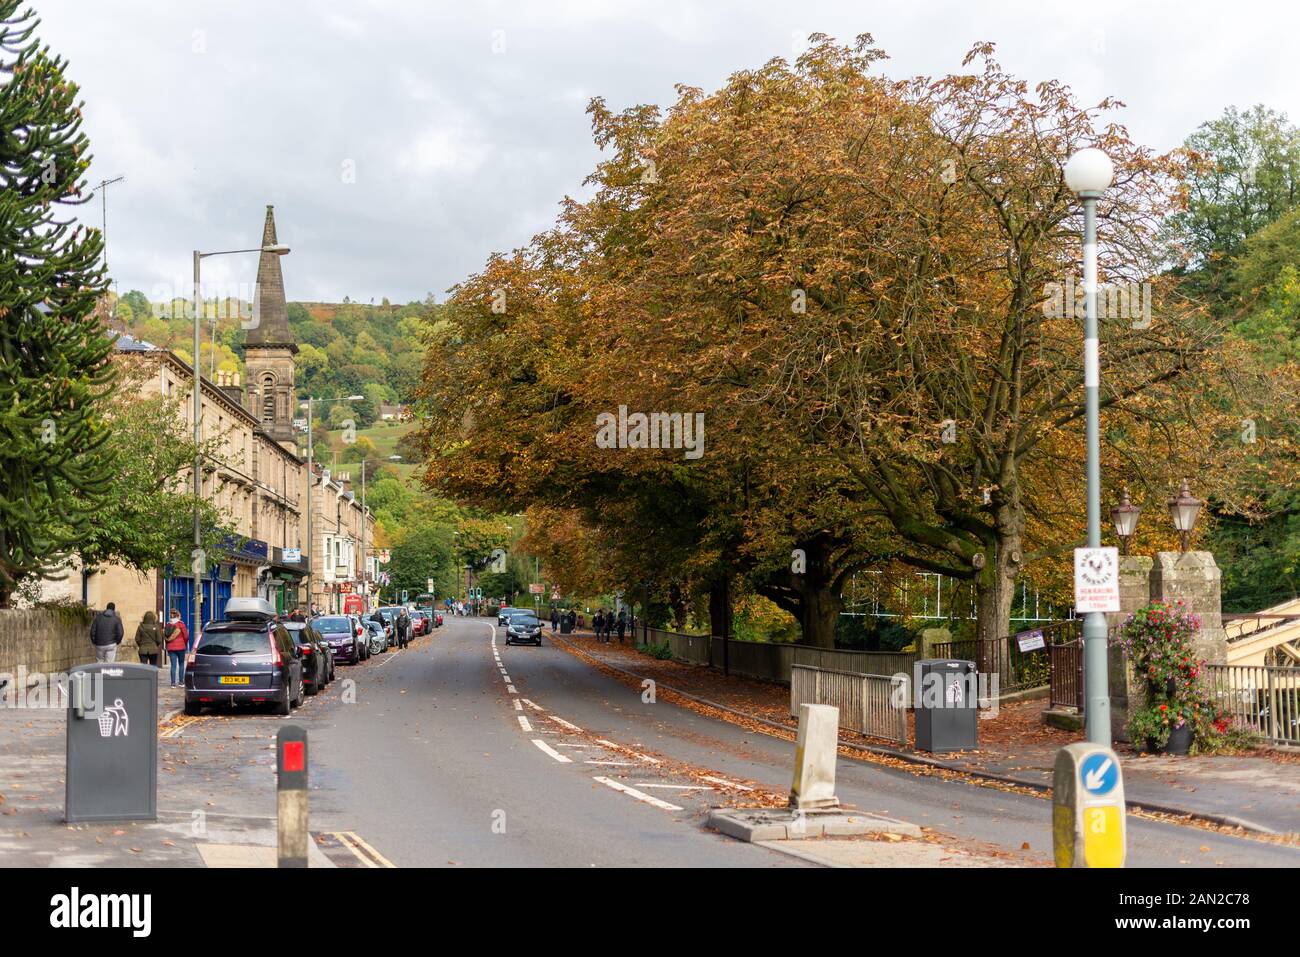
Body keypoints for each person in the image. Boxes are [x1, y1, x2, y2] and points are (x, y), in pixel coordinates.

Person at [163, 609, 190, 687]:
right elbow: (186, 636)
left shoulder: (168, 625)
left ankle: (173, 683)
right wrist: (184, 643)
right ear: (178, 616)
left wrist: (168, 644)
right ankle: (181, 682)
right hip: (181, 647)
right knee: (181, 664)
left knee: (173, 665)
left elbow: (165, 636)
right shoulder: (181, 624)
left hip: (171, 648)